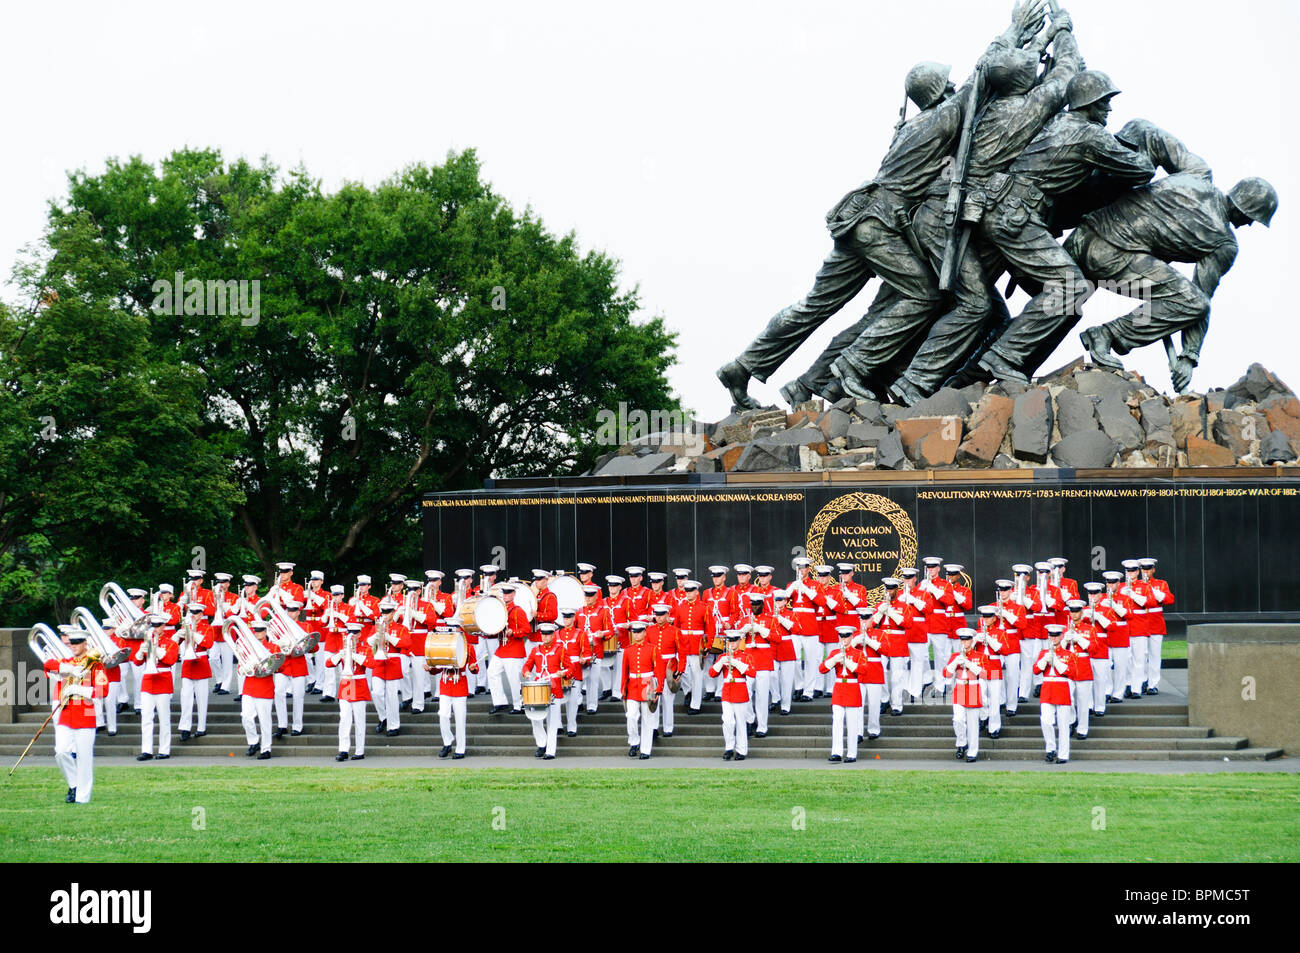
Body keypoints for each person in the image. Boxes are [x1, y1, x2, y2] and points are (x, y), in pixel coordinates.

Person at [716, 1, 1052, 408]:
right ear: (938, 92)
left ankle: (743, 365)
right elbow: (980, 77)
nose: (951, 88)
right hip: (879, 224)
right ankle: (851, 367)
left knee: (813, 306)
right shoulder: (942, 118)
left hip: (858, 217)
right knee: (924, 296)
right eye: (945, 85)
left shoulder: (910, 127)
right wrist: (1015, 32)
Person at [1076, 121, 1277, 392]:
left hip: (1083, 235)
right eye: (1253, 218)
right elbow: (1199, 300)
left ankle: (1004, 348)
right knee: (1191, 303)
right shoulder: (1223, 243)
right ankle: (1107, 335)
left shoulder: (1197, 171)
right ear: (1246, 209)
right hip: (1112, 257)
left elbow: (1147, 131)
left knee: (1056, 310)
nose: (1251, 224)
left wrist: (1125, 149)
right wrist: (1189, 357)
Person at [45, 629, 106, 803]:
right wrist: (68, 668)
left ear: (85, 643)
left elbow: (103, 690)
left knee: (84, 758)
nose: (74, 647)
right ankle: (74, 784)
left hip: (86, 713)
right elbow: (48, 664)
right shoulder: (67, 662)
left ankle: (82, 797)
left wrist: (79, 689)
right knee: (61, 751)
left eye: (78, 643)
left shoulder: (95, 664)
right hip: (66, 713)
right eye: (72, 643)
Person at [522, 623, 574, 760]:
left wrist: (563, 673)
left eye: (548, 634)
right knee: (534, 717)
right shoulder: (535, 650)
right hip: (539, 687)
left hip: (554, 688)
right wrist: (526, 672)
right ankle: (541, 743)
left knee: (553, 721)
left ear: (552, 635)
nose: (545, 637)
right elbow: (527, 665)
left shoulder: (560, 649)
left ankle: (551, 751)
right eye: (543, 634)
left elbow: (570, 669)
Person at [430, 620, 477, 759]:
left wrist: (473, 668)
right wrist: (430, 668)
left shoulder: (468, 647)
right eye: (450, 629)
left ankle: (461, 748)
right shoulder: (441, 645)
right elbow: (435, 668)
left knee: (460, 718)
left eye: (454, 628)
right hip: (445, 684)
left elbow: (474, 667)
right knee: (443, 714)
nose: (452, 631)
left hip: (460, 683)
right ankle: (447, 742)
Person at [820, 626, 866, 763]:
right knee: (837, 721)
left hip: (852, 687)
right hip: (839, 688)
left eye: (846, 636)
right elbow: (822, 669)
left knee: (852, 723)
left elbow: (864, 670)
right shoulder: (835, 652)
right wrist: (833, 660)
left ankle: (852, 753)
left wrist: (847, 662)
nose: (844, 639)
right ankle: (836, 752)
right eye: (841, 636)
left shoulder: (858, 653)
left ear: (852, 637)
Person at [135, 615, 178, 761]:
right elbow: (137, 662)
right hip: (148, 682)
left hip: (163, 682)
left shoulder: (171, 643)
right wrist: (141, 652)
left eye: (158, 625)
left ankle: (164, 750)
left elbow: (171, 660)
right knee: (146, 718)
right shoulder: (147, 640)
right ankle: (146, 750)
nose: (156, 628)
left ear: (164, 626)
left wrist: (157, 650)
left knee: (164, 718)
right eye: (153, 625)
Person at [328, 621, 372, 761]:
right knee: (344, 719)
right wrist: (341, 654)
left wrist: (353, 655)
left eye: (354, 634)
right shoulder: (343, 647)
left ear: (359, 634)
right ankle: (343, 749)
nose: (351, 636)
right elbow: (328, 663)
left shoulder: (365, 648)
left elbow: (371, 663)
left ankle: (360, 750)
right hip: (346, 684)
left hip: (359, 682)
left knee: (359, 719)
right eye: (349, 633)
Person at [621, 621, 664, 759]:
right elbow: (624, 672)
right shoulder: (628, 650)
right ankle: (634, 742)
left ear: (645, 633)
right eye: (634, 632)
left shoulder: (653, 649)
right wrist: (623, 689)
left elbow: (659, 671)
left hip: (648, 685)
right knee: (631, 716)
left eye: (639, 631)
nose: (637, 634)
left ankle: (646, 750)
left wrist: (658, 689)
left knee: (647, 719)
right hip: (633, 686)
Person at [709, 630, 753, 761]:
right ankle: (729, 747)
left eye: (735, 641)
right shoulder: (722, 656)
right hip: (727, 691)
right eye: (730, 641)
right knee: (728, 721)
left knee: (740, 722)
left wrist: (737, 663)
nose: (732, 644)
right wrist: (720, 663)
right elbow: (712, 673)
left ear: (739, 641)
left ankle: (741, 750)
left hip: (740, 690)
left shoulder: (745, 656)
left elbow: (752, 672)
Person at [488, 584, 531, 714]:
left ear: (513, 594)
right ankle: (499, 701)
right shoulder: (500, 609)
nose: (506, 595)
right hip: (502, 649)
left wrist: (514, 632)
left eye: (508, 593)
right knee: (491, 672)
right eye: (504, 593)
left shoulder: (518, 610)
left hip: (514, 650)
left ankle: (519, 705)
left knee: (514, 679)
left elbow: (527, 629)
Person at [943, 628, 984, 762]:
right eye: (962, 640)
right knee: (958, 719)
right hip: (960, 688)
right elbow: (946, 674)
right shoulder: (955, 656)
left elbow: (986, 674)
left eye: (967, 640)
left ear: (972, 641)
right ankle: (961, 743)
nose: (964, 642)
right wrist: (955, 663)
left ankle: (972, 751)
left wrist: (969, 664)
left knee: (973, 724)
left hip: (973, 688)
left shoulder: (979, 656)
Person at [176, 603, 214, 742]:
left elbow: (208, 643)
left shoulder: (207, 628)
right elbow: (174, 644)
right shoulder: (185, 626)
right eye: (192, 612)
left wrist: (193, 634)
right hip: (188, 664)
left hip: (201, 663)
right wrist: (177, 635)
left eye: (197, 612)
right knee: (185, 698)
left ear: (202, 614)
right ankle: (185, 727)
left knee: (202, 698)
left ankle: (201, 727)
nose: (194, 615)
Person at [1035, 625, 1073, 763]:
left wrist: (1055, 661)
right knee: (1045, 721)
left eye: (1056, 635)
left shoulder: (1068, 654)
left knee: (1063, 725)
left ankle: (1063, 754)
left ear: (1061, 636)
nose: (1053, 638)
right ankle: (1050, 748)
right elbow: (1035, 670)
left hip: (1062, 689)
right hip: (1047, 690)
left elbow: (1071, 672)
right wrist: (1045, 659)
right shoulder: (1044, 652)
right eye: (1051, 635)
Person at [239, 620, 277, 759]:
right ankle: (253, 742)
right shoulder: (247, 648)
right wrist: (244, 667)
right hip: (249, 686)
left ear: (266, 632)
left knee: (265, 720)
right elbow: (240, 666)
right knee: (246, 717)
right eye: (256, 631)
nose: (258, 633)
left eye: (261, 631)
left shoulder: (273, 647)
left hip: (264, 687)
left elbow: (280, 667)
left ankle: (266, 749)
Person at [1139, 557, 1173, 694]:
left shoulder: (1161, 584)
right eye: (1143, 569)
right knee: (1139, 655)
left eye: (1148, 569)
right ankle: (1141, 680)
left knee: (1154, 655)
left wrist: (1155, 592)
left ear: (1153, 569)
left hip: (1155, 622)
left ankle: (1153, 684)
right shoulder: (1136, 584)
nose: (1146, 572)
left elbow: (1170, 599)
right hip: (1140, 622)